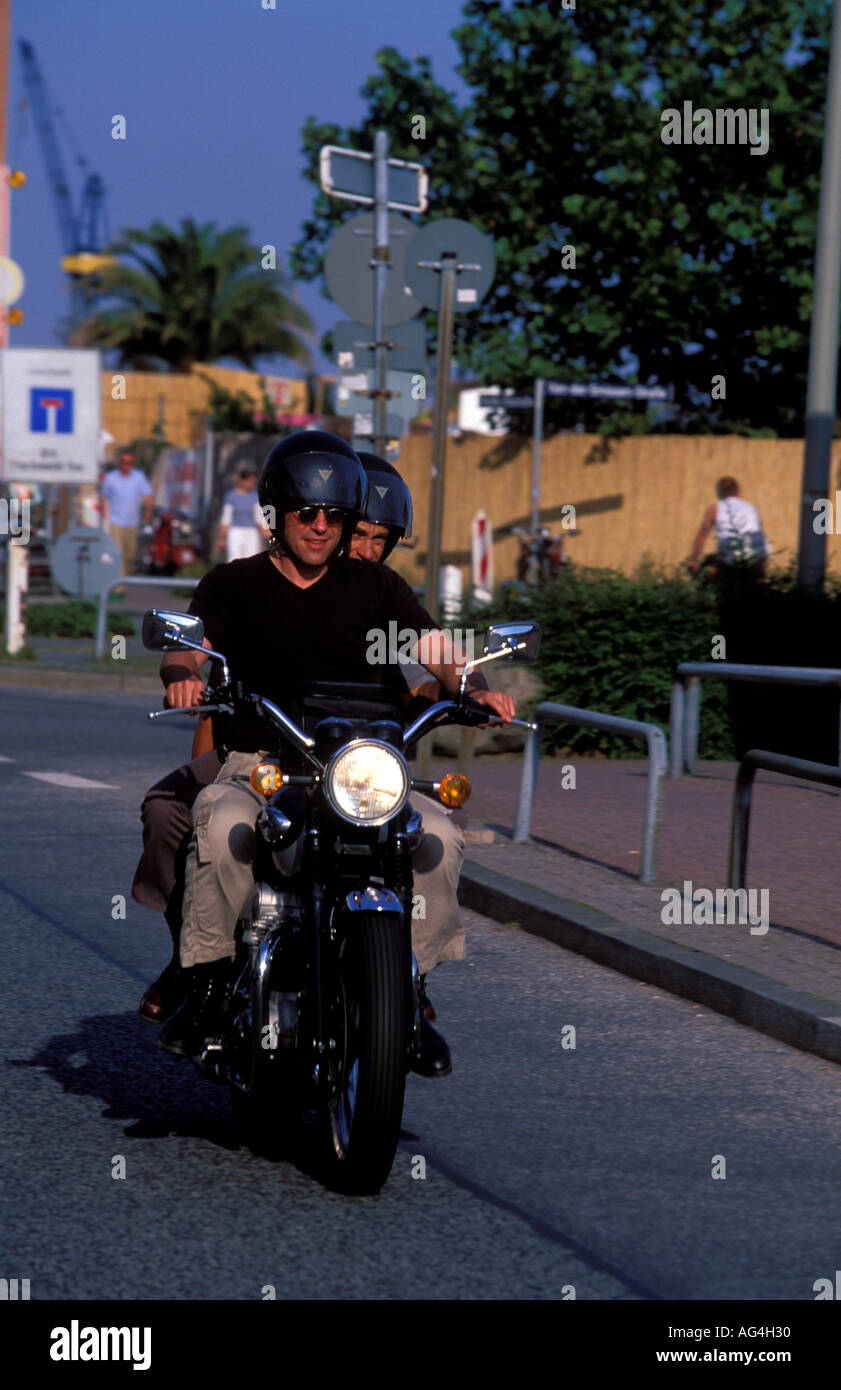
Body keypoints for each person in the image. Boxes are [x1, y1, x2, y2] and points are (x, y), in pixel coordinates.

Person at [134, 437, 510, 1075]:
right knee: (224, 827)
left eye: (333, 516)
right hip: (260, 760)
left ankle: (408, 991)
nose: (319, 526)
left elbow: (435, 646)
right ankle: (204, 987)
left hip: (361, 766)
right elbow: (192, 646)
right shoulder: (234, 583)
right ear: (275, 513)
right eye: (305, 512)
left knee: (440, 834)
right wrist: (182, 672)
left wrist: (471, 687)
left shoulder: (377, 586)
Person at [689, 477, 769, 578]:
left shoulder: (714, 508)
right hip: (758, 556)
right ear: (739, 492)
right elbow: (760, 536)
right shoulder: (751, 508)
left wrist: (694, 560)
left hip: (730, 557)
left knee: (708, 568)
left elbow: (702, 535)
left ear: (719, 494)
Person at [102, 449, 154, 576]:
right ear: (120, 463)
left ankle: (127, 577)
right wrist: (105, 517)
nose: (127, 464)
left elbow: (147, 495)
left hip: (133, 521)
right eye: (124, 462)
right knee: (117, 553)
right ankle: (119, 586)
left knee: (130, 554)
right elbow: (104, 498)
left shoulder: (139, 477)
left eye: (129, 462)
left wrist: (148, 511)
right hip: (116, 521)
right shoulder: (111, 478)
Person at [217, 465, 267, 561]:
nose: (252, 484)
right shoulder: (231, 496)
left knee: (252, 559)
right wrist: (222, 537)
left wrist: (267, 532)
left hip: (251, 532)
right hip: (235, 532)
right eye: (250, 481)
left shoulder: (255, 497)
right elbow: (226, 518)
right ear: (242, 481)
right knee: (234, 559)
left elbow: (259, 517)